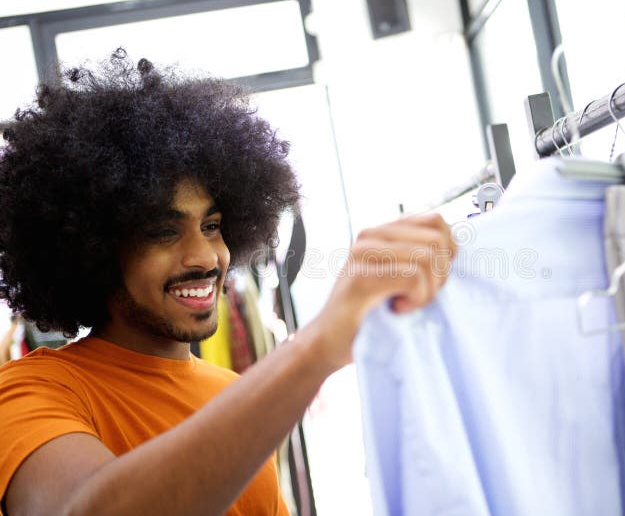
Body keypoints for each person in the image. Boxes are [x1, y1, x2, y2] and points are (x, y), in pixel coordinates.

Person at [0, 49, 456, 515]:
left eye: (212, 226)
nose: (204, 257)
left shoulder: (230, 395)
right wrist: (317, 346)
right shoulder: (30, 389)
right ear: (92, 248)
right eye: (163, 231)